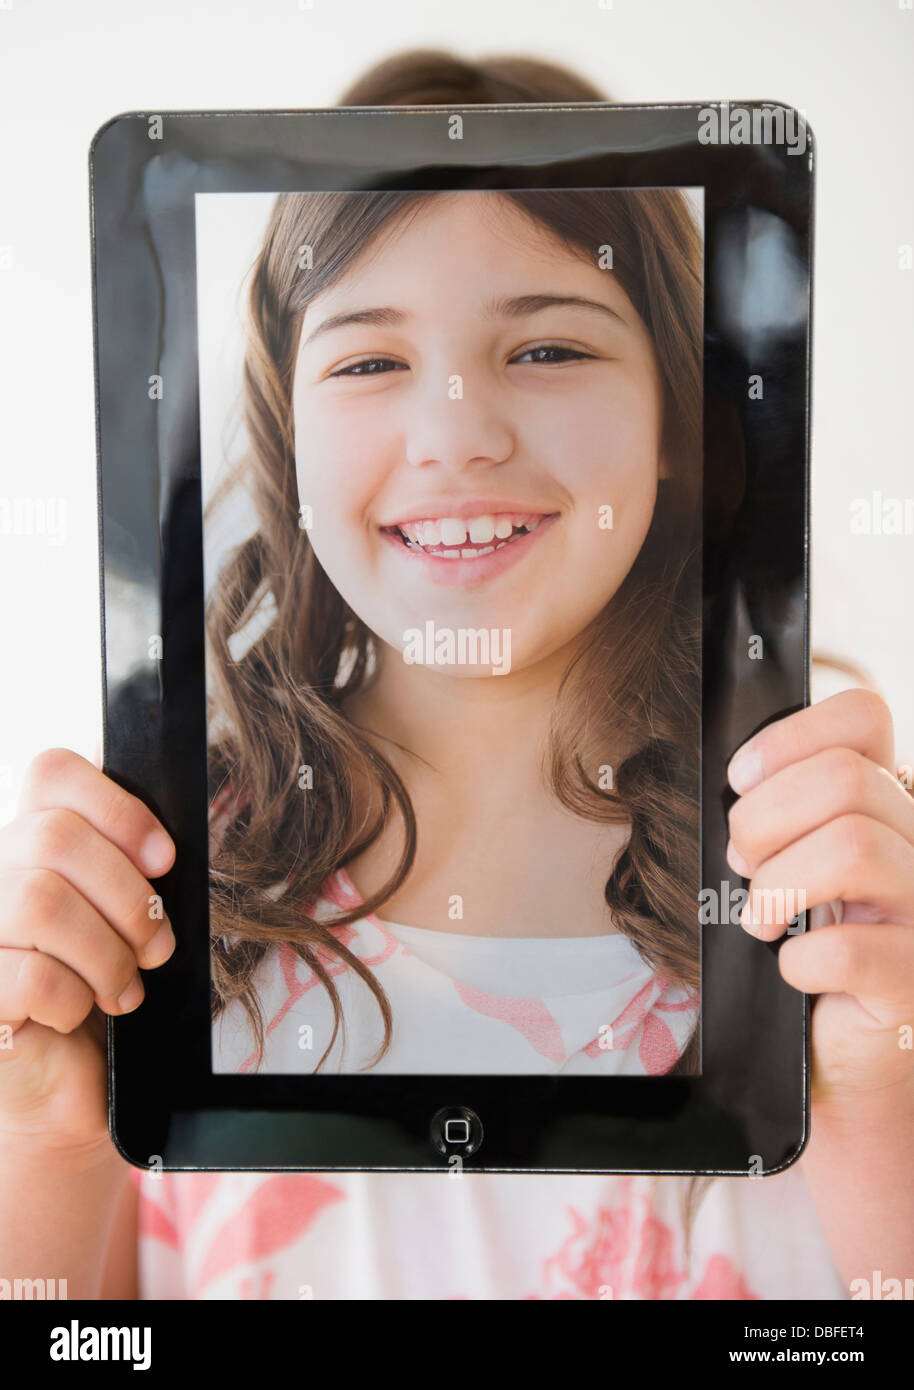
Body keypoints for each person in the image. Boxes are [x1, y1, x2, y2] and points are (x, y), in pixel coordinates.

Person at [1, 49, 912, 1301]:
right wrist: (47, 1133)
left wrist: (886, 1090)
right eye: (367, 362)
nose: (455, 433)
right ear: (287, 434)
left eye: (546, 348)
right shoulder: (163, 900)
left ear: (674, 421)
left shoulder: (831, 892)